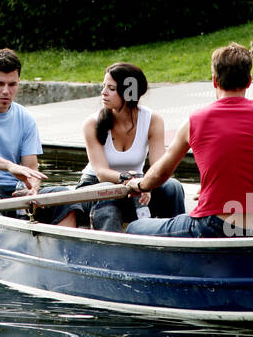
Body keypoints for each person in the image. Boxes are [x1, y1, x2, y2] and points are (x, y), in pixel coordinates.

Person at [123, 44, 253, 237]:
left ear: (214, 81)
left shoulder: (195, 120)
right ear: (249, 81)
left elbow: (161, 173)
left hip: (215, 225)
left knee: (134, 228)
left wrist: (139, 185)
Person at [0, 47, 81, 227]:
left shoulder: (25, 118)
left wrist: (32, 189)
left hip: (12, 194)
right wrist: (9, 166)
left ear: (19, 82)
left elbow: (30, 169)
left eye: (12, 85)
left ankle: (64, 252)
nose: (6, 91)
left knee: (64, 197)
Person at [78, 62, 186, 231]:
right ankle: (112, 250)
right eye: (104, 86)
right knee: (108, 191)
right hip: (96, 187)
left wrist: (146, 184)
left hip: (136, 184)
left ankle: (177, 238)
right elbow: (101, 173)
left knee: (172, 187)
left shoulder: (152, 120)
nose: (103, 93)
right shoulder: (92, 123)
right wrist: (132, 180)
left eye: (111, 89)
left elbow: (159, 165)